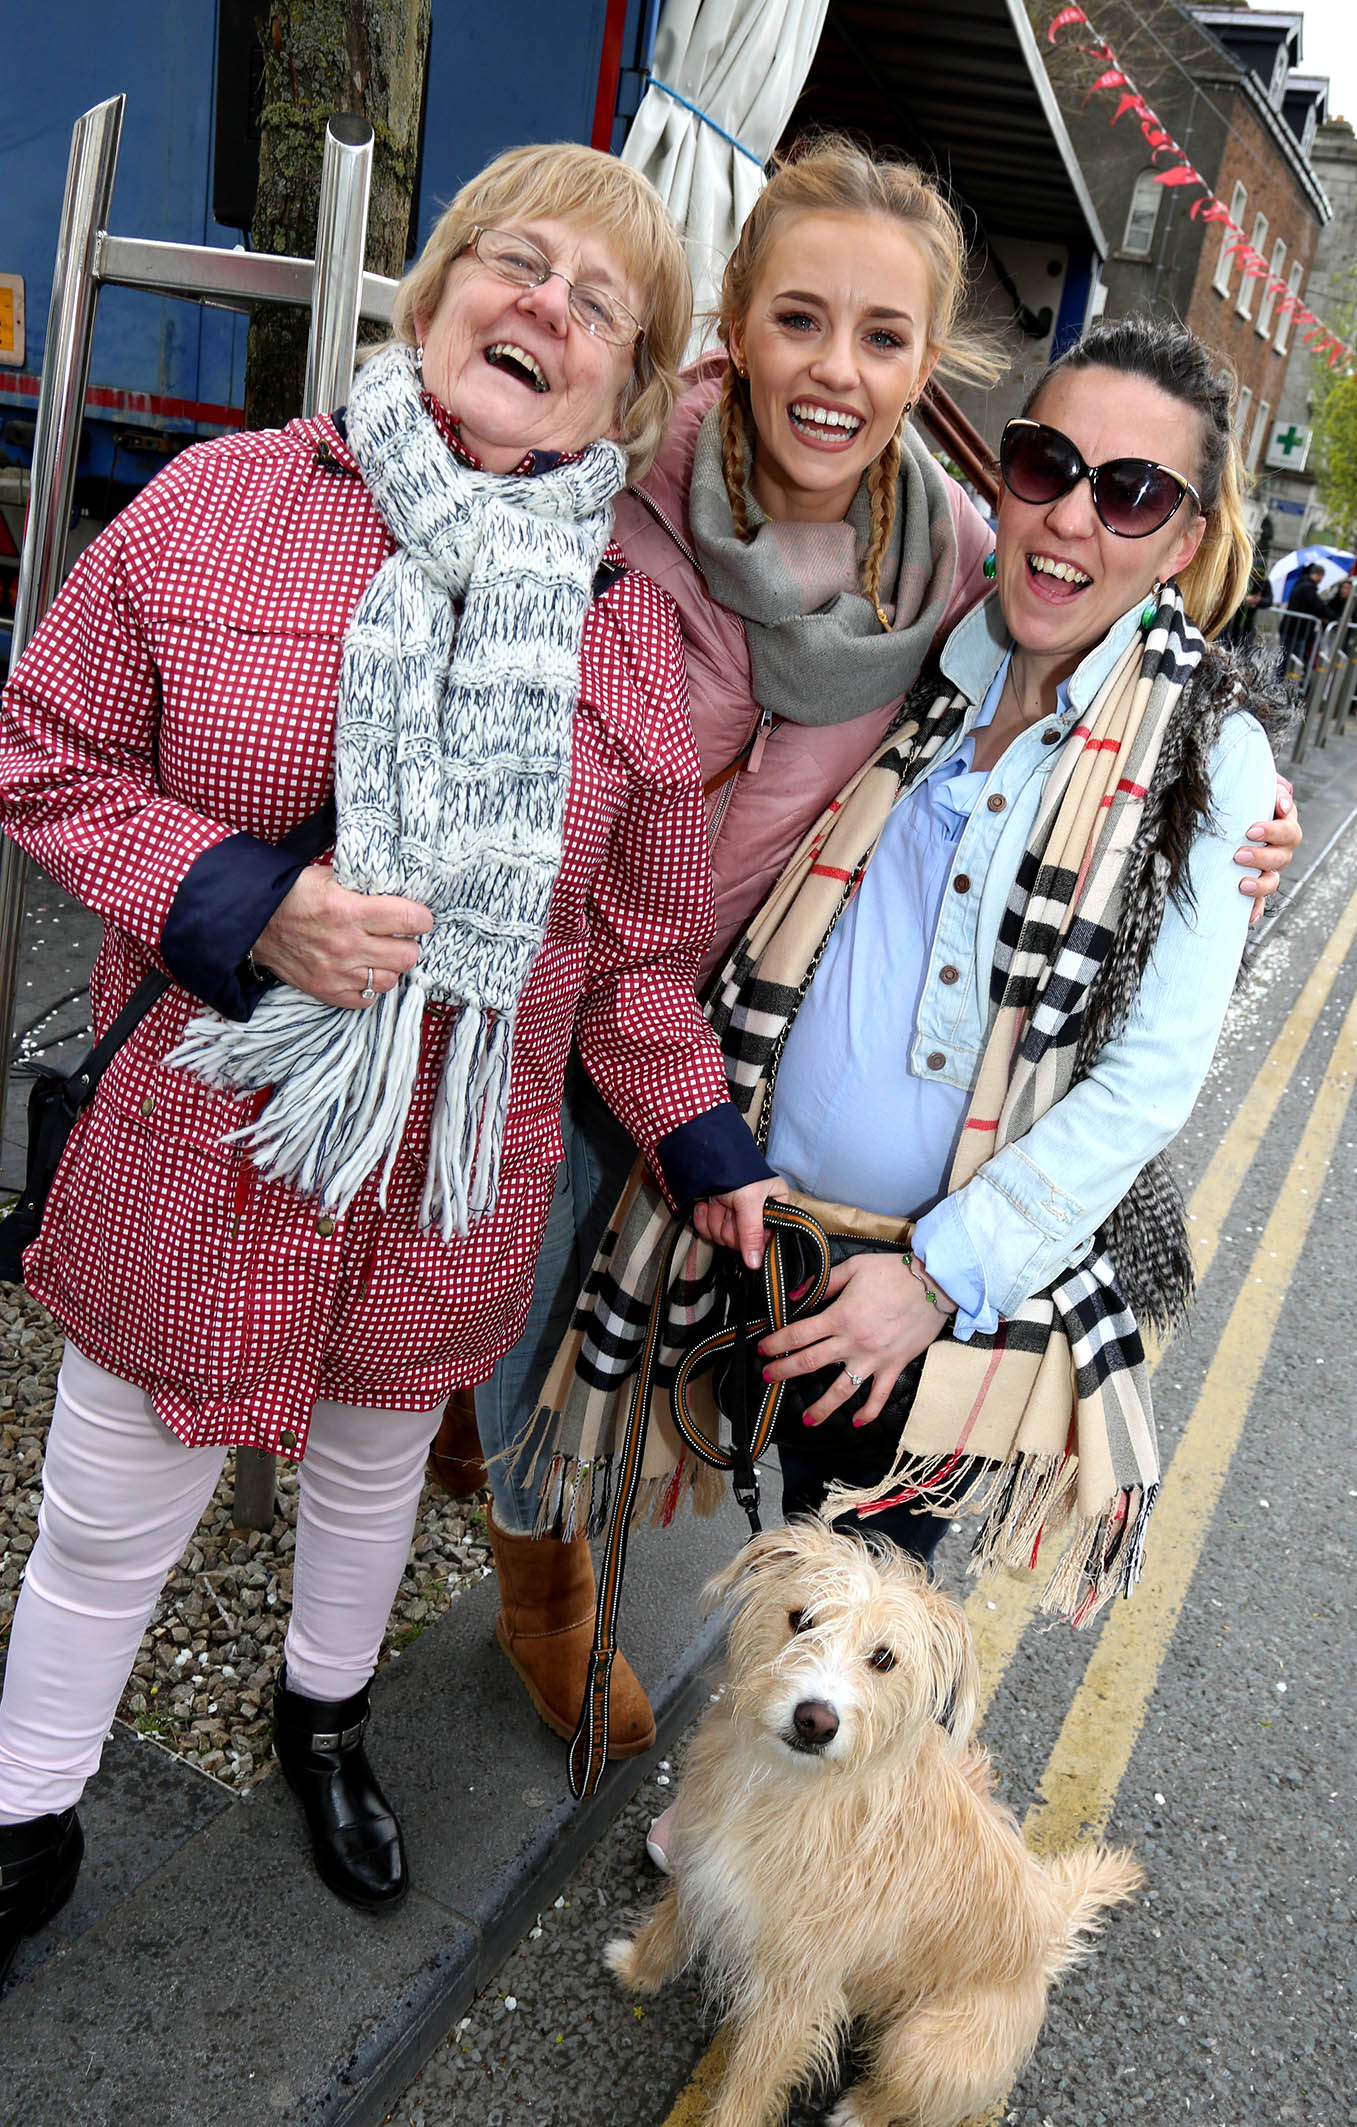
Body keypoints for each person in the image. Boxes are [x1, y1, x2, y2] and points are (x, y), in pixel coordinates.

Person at [0, 143, 774, 1986]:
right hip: (210, 1128)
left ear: (629, 389)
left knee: (365, 1472)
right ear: (431, 298)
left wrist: (709, 1143)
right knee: (113, 1502)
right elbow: (42, 751)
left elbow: (635, 959)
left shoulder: (625, 637)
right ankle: (28, 1804)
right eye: (517, 267)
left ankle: (322, 1721)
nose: (547, 312)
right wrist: (250, 901)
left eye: (599, 308)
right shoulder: (218, 507)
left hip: (455, 1159)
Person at [472, 141, 1300, 1748]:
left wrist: (938, 1272)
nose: (1072, 515)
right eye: (1048, 463)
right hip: (620, 1063)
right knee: (738, 1495)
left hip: (875, 1233)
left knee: (862, 1610)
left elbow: (1147, 1068)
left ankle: (813, 1886)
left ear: (1189, 533)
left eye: (1130, 492)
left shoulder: (1113, 686)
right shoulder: (875, 584)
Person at [1279, 561, 1326, 674]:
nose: (1321, 580)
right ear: (1318, 574)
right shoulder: (1308, 588)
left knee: (1286, 659)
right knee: (1291, 661)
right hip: (1297, 631)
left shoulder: (1301, 583)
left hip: (1293, 629)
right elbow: (1318, 606)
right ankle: (1281, 685)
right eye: (1321, 576)